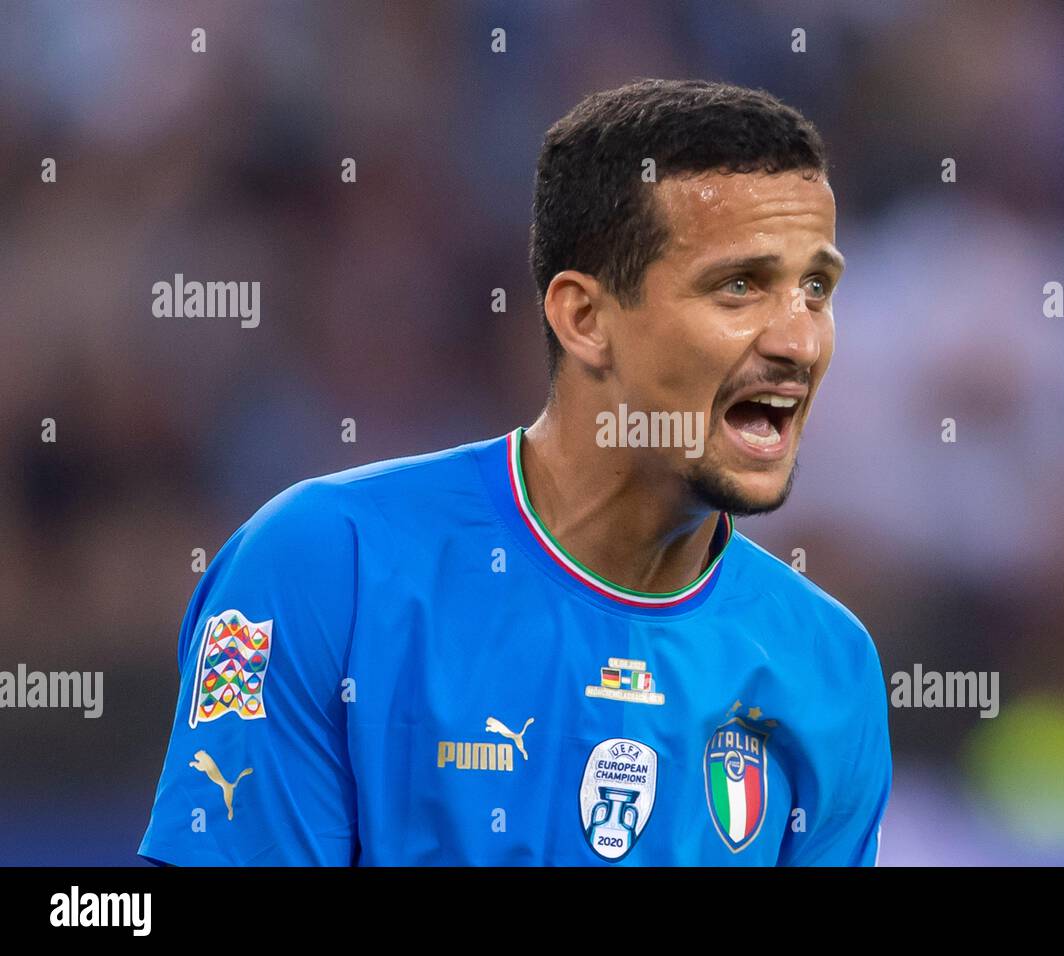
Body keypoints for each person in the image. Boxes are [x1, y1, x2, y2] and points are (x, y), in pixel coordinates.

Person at [138, 78, 891, 865]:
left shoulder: (827, 665)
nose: (799, 342)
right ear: (585, 318)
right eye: (740, 286)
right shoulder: (327, 564)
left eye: (816, 289)